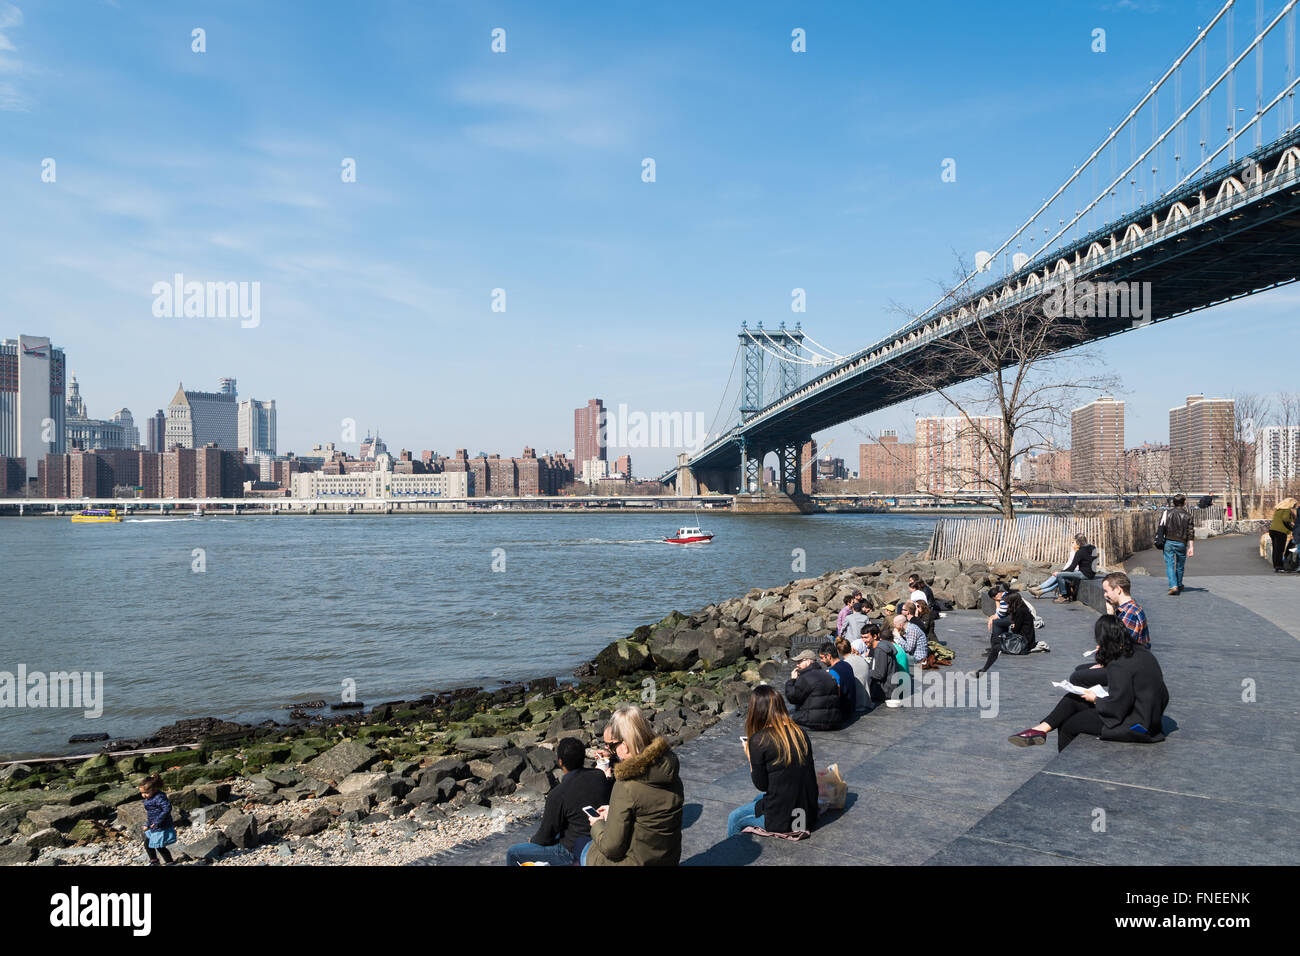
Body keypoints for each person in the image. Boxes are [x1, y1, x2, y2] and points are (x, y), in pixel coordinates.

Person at [1008, 616, 1169, 751]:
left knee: (1069, 726)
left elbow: (1117, 707)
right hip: (1147, 716)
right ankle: (1041, 729)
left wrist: (1096, 699)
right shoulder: (1139, 652)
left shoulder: (1120, 664)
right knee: (1073, 699)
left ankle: (1065, 769)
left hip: (1137, 726)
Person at [581, 705, 684, 866]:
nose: (609, 751)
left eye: (612, 746)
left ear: (626, 745)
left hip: (637, 862)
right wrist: (614, 809)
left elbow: (612, 848)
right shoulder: (669, 770)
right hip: (668, 859)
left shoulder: (626, 785)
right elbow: (649, 813)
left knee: (585, 849)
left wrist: (596, 824)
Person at [728, 685, 820, 836]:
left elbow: (762, 785)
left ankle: (732, 855)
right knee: (757, 800)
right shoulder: (799, 732)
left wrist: (751, 757)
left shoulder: (760, 740)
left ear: (756, 711)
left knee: (734, 818)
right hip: (807, 814)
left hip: (784, 820)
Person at [505, 737, 612, 865]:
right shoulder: (599, 776)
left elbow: (544, 837)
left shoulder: (557, 794)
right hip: (599, 838)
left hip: (572, 851)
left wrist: (531, 841)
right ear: (583, 758)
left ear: (560, 762)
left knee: (513, 853)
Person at [974, 589, 1036, 677]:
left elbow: (1015, 630)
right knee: (999, 639)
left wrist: (1012, 627)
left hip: (1023, 642)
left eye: (1007, 603)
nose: (1006, 604)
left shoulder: (1020, 612)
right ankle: (993, 649)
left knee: (998, 642)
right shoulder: (1021, 608)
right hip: (1026, 638)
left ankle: (985, 666)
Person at [783, 646, 843, 731]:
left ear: (807, 661)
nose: (797, 665)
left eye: (800, 662)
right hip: (834, 721)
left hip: (814, 723)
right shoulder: (828, 674)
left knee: (783, 717)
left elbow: (792, 698)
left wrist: (792, 680)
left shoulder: (806, 677)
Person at [1034, 533, 1098, 603]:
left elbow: (1071, 568)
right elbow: (1094, 562)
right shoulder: (1093, 548)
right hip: (1092, 573)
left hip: (1084, 574)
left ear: (1077, 542)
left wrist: (1060, 572)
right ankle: (1040, 590)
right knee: (1064, 575)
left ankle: (1064, 596)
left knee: (1059, 575)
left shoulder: (1079, 552)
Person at [1103, 572, 1149, 647]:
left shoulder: (1129, 613)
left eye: (1106, 591)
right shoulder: (1132, 608)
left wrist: (1110, 616)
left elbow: (1120, 644)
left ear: (1118, 590)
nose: (1105, 595)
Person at [139, 773, 177, 865]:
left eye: (146, 793)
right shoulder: (150, 799)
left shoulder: (159, 797)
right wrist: (148, 824)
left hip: (161, 825)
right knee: (147, 844)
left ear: (155, 789)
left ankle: (170, 862)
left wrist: (157, 822)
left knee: (160, 846)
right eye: (142, 793)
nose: (144, 795)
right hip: (153, 825)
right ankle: (154, 860)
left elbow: (167, 808)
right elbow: (151, 814)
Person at [1161, 493, 1196, 595]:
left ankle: (1173, 586)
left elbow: (1162, 527)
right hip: (1181, 543)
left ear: (1173, 502)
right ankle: (1179, 584)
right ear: (1184, 503)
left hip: (1168, 541)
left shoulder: (1167, 513)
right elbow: (1191, 532)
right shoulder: (1188, 515)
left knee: (1170, 565)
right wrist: (1191, 547)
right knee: (1180, 565)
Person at [866, 626, 901, 707]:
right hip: (890, 688)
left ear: (875, 636)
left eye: (866, 637)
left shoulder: (880, 650)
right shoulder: (885, 646)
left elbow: (879, 674)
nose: (864, 640)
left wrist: (865, 671)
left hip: (884, 692)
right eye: (862, 637)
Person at [825, 638, 858, 723]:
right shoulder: (847, 664)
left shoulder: (833, 671)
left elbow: (837, 693)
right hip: (852, 708)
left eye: (821, 658)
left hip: (843, 713)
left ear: (829, 656)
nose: (821, 660)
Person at [840, 636, 871, 713]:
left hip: (856, 705)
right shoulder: (861, 658)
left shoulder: (845, 664)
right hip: (867, 702)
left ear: (838, 651)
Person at [1268, 498, 1297, 573]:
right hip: (1280, 532)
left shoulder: (1279, 509)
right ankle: (1279, 566)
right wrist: (1292, 525)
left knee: (1275, 549)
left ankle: (1276, 566)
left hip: (1273, 530)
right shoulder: (1287, 510)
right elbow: (1285, 519)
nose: (1294, 506)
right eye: (1294, 504)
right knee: (1280, 550)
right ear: (1290, 503)